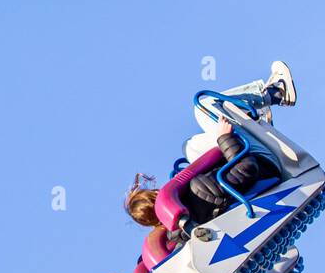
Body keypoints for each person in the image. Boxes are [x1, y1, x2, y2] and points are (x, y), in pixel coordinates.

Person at [125, 63, 296, 230]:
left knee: (189, 146)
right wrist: (225, 138)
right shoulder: (198, 189)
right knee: (204, 106)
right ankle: (277, 92)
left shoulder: (190, 222)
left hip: (257, 174)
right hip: (265, 164)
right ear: (159, 196)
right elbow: (246, 170)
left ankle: (255, 124)